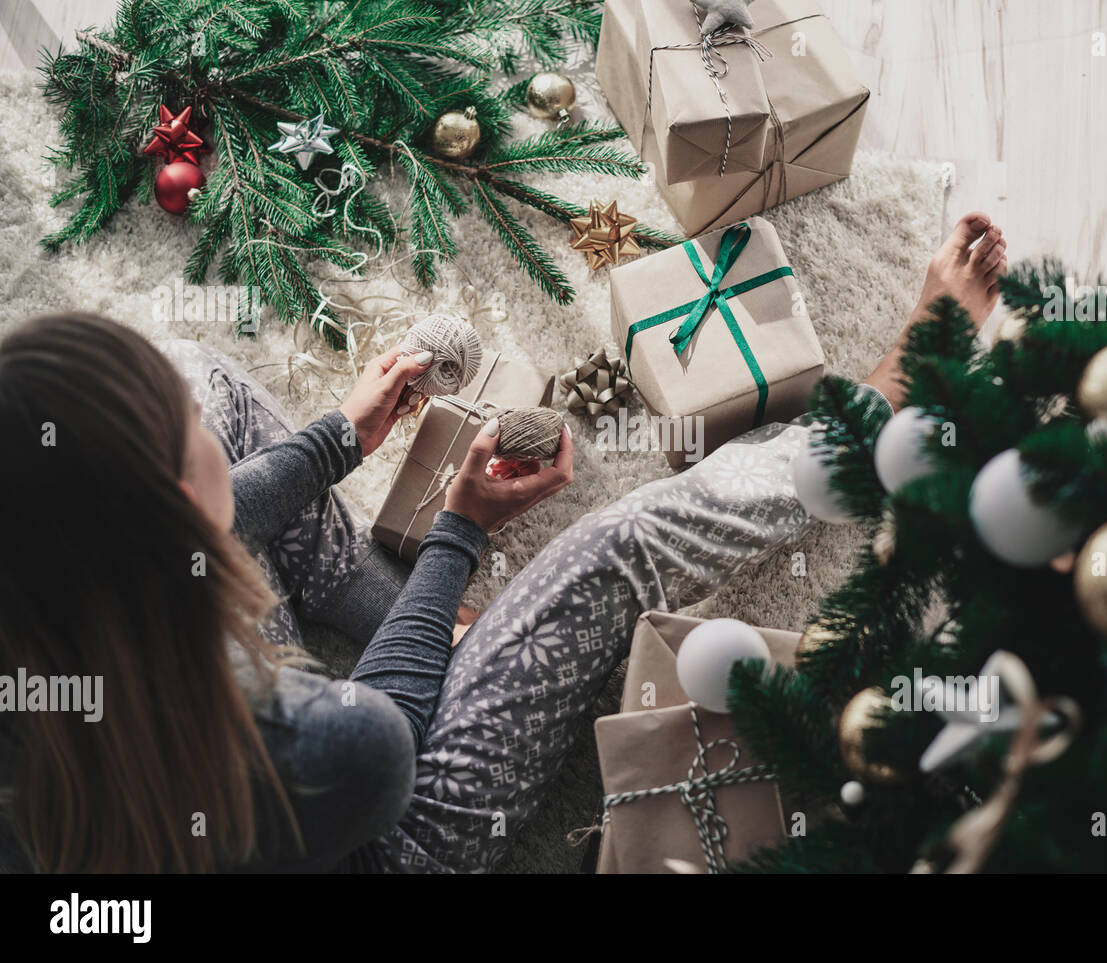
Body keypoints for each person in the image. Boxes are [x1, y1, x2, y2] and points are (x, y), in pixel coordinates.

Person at [0, 213, 1007, 873]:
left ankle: (388, 604)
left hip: (215, 728)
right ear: (181, 510)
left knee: (191, 378)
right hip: (382, 828)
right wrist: (455, 537)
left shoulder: (44, 574)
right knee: (609, 549)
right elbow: (381, 724)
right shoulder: (305, 742)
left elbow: (174, 525)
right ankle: (871, 421)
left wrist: (337, 441)